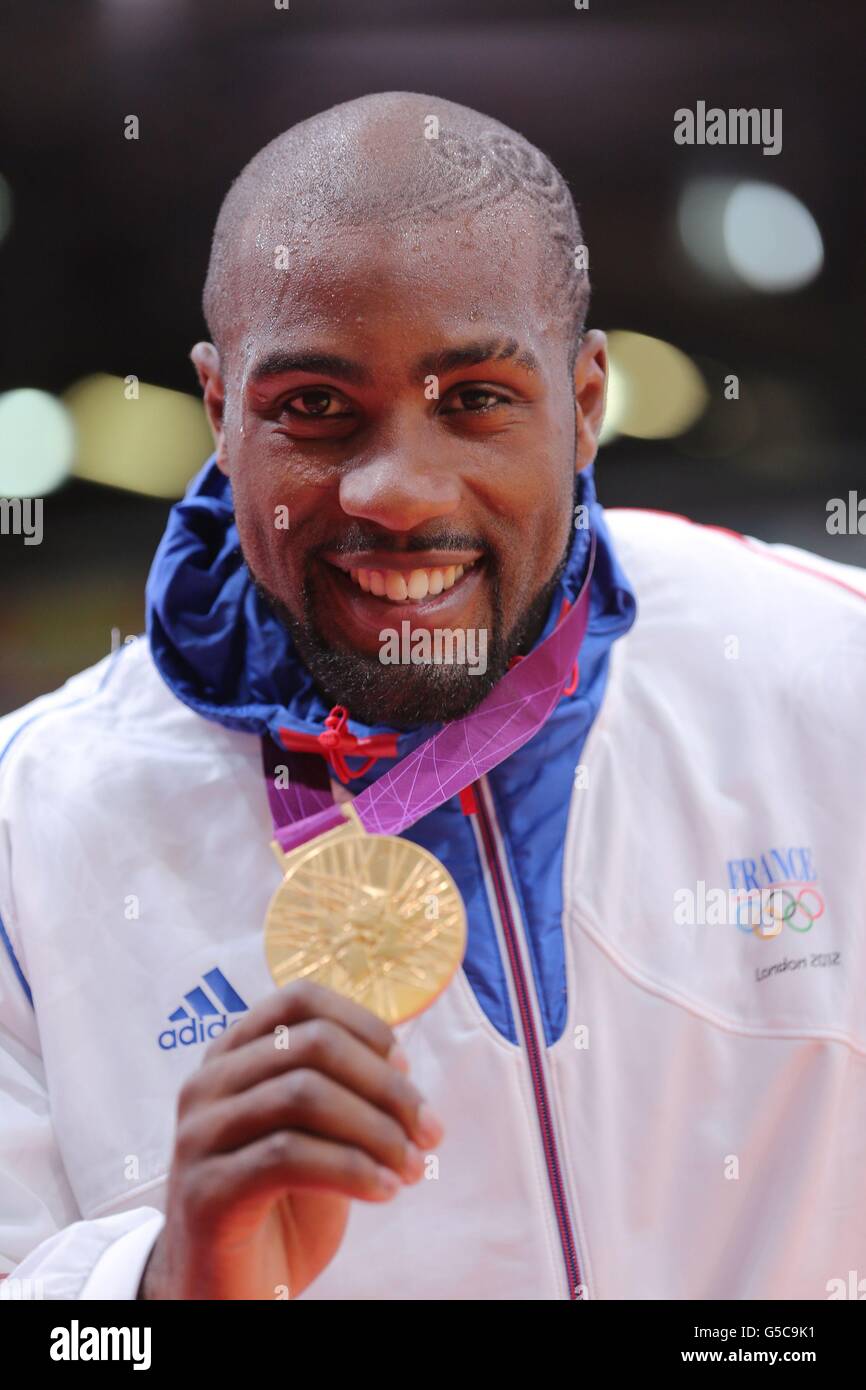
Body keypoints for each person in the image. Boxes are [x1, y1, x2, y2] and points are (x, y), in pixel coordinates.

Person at [1, 92, 864, 1303]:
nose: (398, 490)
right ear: (215, 411)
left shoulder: (832, 678)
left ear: (583, 401)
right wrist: (165, 1293)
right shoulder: (24, 840)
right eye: (311, 407)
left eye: (473, 398)